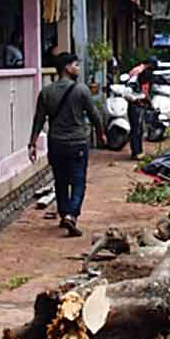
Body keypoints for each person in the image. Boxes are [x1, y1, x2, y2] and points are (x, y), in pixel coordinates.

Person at [29, 53, 104, 237]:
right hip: (77, 142)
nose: (78, 68)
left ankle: (64, 213)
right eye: (75, 64)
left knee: (60, 181)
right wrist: (101, 133)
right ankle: (71, 214)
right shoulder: (81, 90)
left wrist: (32, 143)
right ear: (66, 68)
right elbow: (94, 115)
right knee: (78, 181)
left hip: (56, 143)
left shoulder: (46, 92)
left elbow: (38, 120)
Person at [127, 58, 157, 160]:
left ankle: (135, 151)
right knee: (138, 129)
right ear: (151, 65)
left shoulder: (135, 69)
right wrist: (150, 102)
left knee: (134, 128)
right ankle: (138, 152)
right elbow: (145, 89)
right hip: (138, 103)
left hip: (132, 102)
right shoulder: (145, 72)